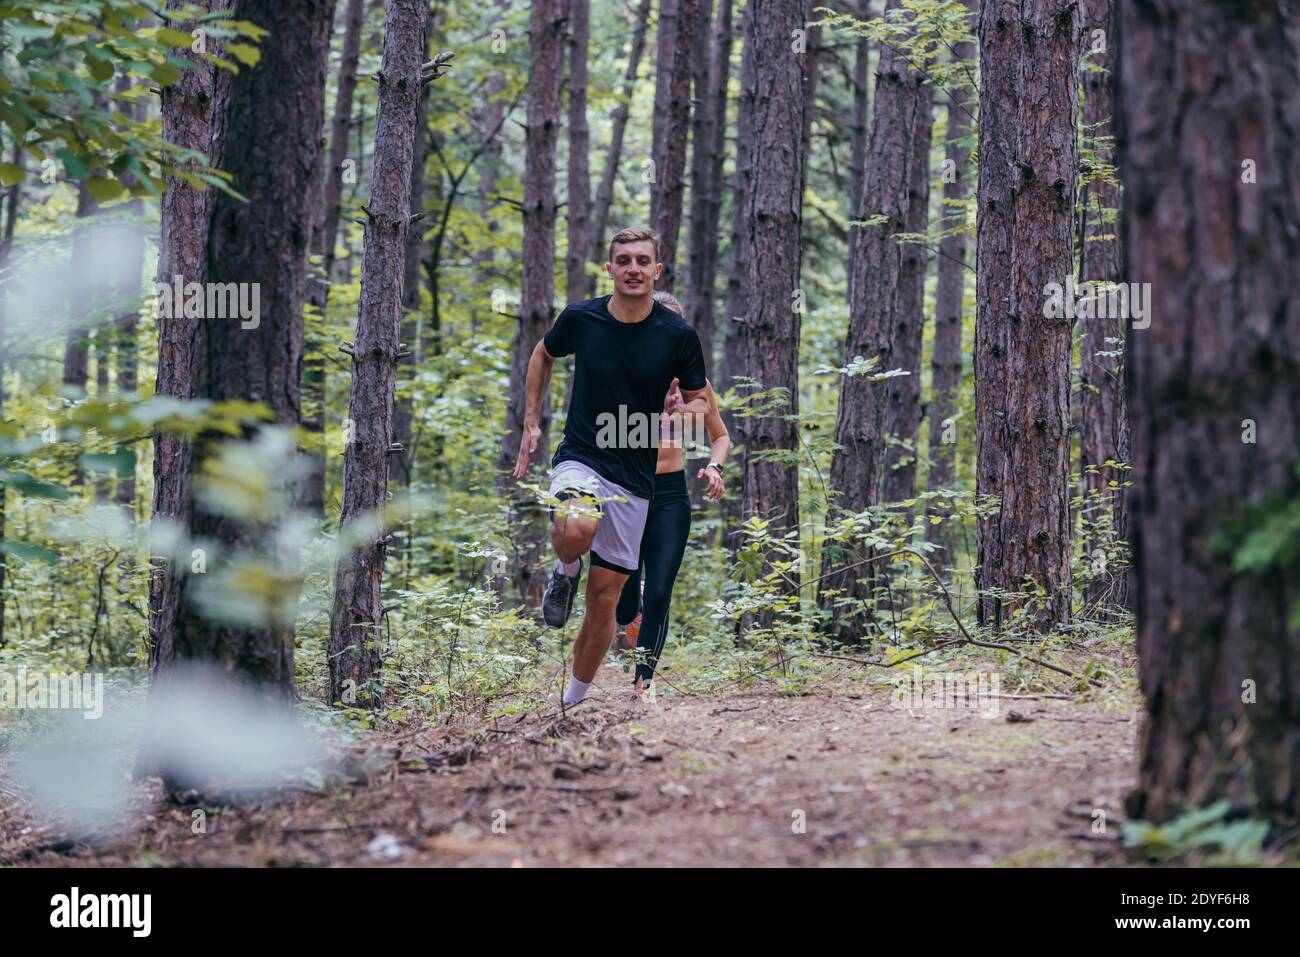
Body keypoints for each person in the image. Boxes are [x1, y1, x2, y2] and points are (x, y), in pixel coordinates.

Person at [511, 226, 709, 709]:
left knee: (605, 600)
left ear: (656, 270)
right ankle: (565, 567)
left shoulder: (677, 334)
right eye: (624, 260)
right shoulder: (582, 318)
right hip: (582, 457)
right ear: (610, 268)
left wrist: (684, 413)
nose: (634, 269)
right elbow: (542, 353)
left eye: (643, 261)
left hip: (637, 480)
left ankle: (571, 705)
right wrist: (531, 422)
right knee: (576, 524)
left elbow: (702, 401)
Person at [613, 291, 730, 703]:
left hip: (669, 496)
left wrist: (715, 466)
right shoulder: (624, 372)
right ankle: (631, 612)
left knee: (660, 590)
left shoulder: (696, 386)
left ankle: (644, 680)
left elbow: (720, 436)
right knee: (623, 600)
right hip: (626, 493)